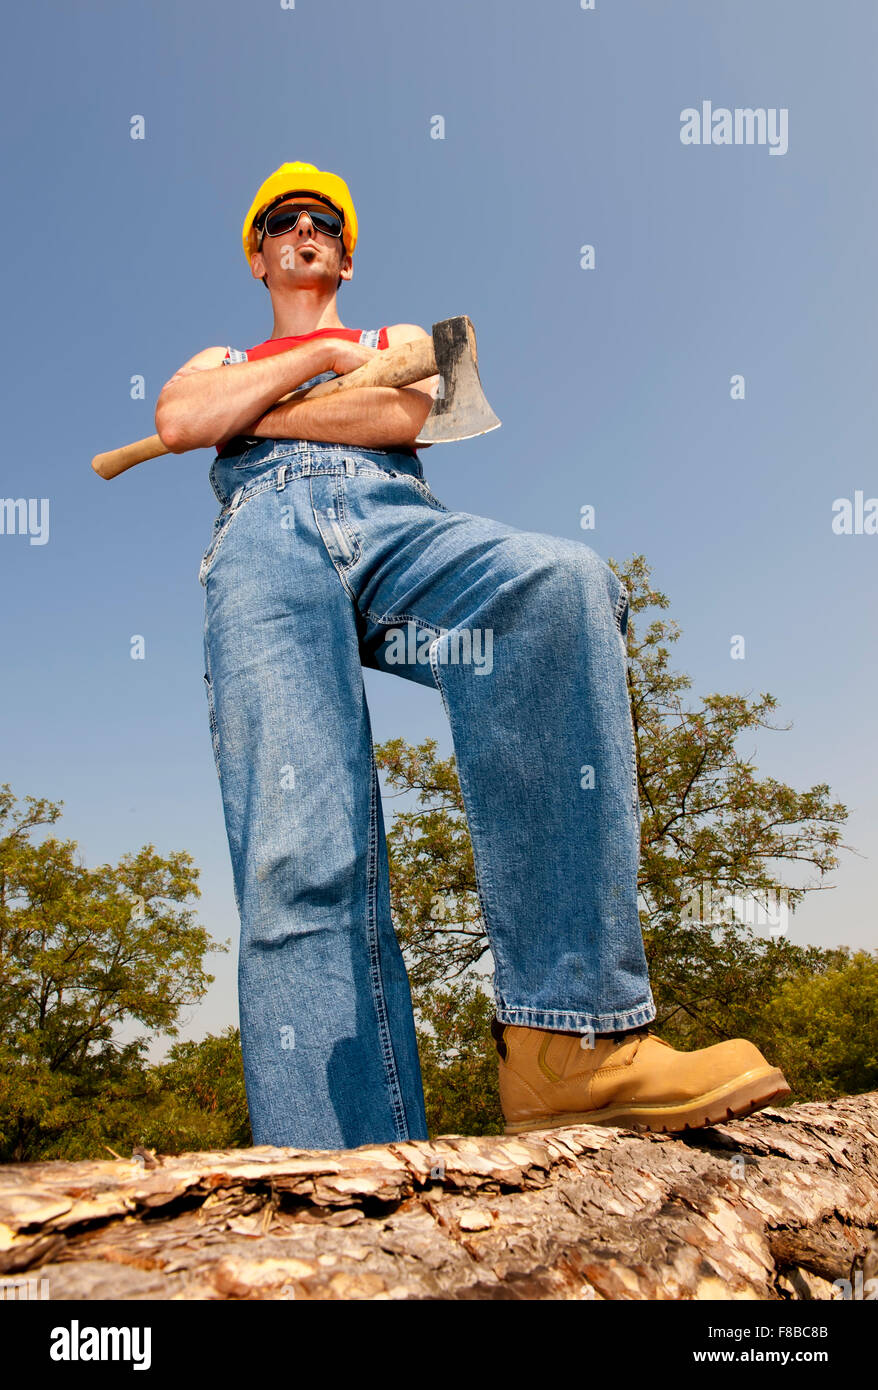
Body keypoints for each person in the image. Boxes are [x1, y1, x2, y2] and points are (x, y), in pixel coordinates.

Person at [155, 161, 790, 1150]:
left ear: (346, 252)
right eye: (283, 220)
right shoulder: (225, 351)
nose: (305, 230)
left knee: (556, 586)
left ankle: (567, 1040)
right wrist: (317, 355)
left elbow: (405, 416)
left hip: (392, 522)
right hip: (263, 542)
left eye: (325, 220)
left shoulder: (398, 344)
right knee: (298, 844)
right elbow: (183, 419)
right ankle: (339, 1167)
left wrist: (258, 412)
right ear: (258, 251)